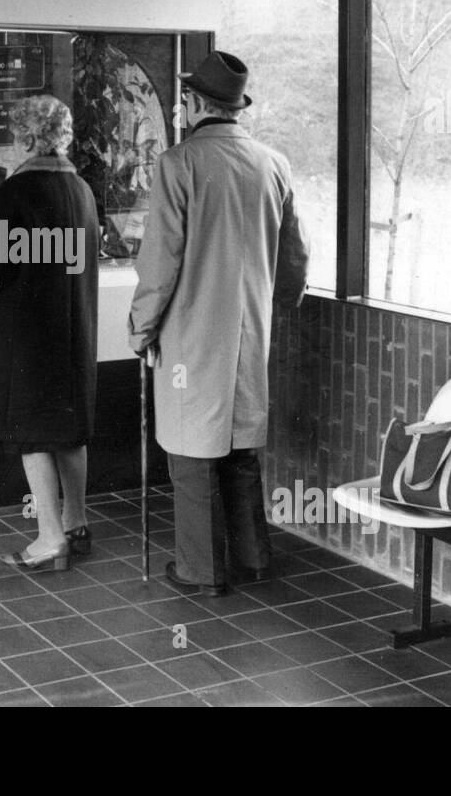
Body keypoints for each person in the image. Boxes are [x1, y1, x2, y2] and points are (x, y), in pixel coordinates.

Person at [128, 51, 309, 597]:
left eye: (185, 98)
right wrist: (280, 301)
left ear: (195, 103)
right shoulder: (273, 163)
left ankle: (201, 571)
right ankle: (253, 560)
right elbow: (295, 256)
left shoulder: (179, 164)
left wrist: (141, 329)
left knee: (192, 453)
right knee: (241, 449)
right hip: (250, 329)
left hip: (190, 332)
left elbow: (160, 262)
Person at [0, 95, 100, 572]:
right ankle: (76, 523)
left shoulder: (16, 191)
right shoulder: (82, 190)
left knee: (31, 435)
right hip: (75, 330)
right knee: (69, 431)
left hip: (29, 333)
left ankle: (49, 540)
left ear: (26, 138)